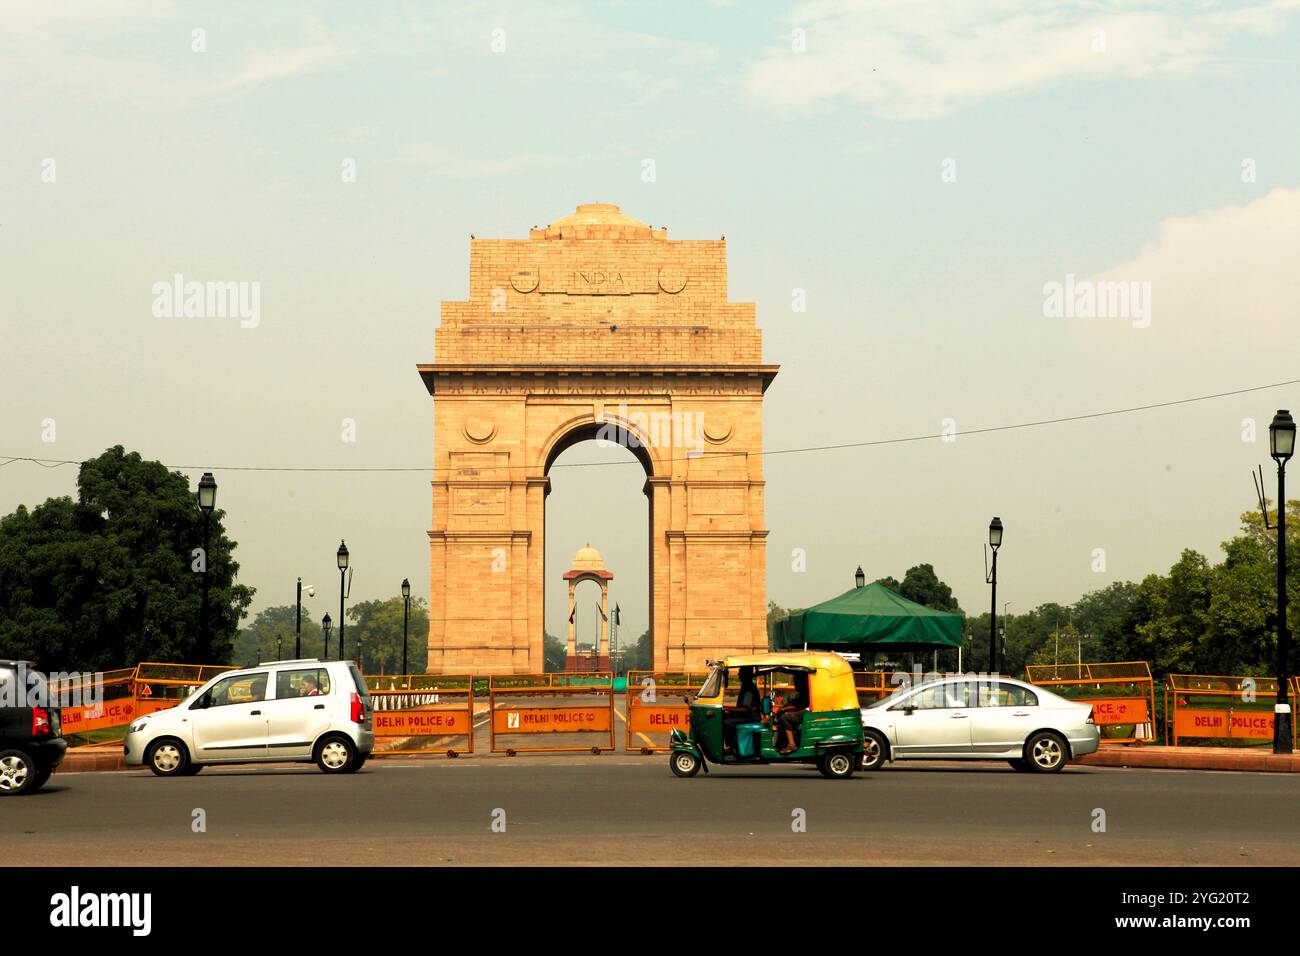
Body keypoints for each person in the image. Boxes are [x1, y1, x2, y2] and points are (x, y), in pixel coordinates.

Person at [722, 667, 761, 753]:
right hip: (747, 716)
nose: (738, 675)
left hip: (751, 717)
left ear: (746, 675)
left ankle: (731, 747)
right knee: (724, 716)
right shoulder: (745, 686)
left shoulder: (749, 688)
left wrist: (726, 708)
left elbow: (745, 709)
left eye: (741, 673)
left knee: (726, 722)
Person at [776, 683, 808, 755]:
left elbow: (799, 705)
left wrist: (784, 709)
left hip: (807, 713)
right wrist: (784, 708)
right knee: (781, 719)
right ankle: (781, 744)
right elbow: (794, 703)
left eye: (797, 680)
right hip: (802, 712)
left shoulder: (806, 691)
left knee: (784, 717)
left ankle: (792, 745)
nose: (795, 683)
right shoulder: (799, 693)